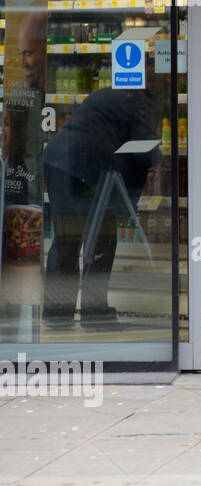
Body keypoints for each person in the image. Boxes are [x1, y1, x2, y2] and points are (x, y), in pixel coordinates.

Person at [43, 87, 161, 323]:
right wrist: (158, 160)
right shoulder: (141, 103)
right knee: (102, 236)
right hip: (87, 167)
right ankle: (94, 311)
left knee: (66, 237)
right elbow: (144, 148)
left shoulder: (104, 95)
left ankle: (57, 312)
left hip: (57, 159)